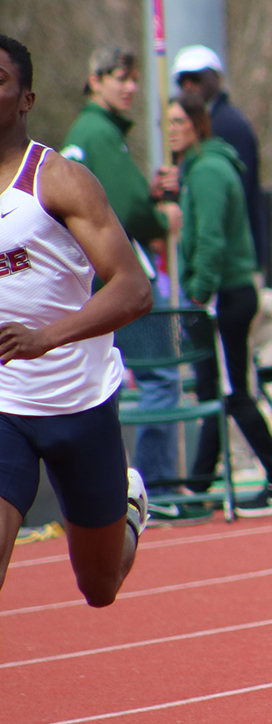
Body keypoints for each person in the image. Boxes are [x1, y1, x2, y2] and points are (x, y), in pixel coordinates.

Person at [0, 35, 154, 605]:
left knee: (100, 585)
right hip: (5, 407)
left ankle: (129, 509)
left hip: (78, 403)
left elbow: (135, 290)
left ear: (26, 99)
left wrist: (47, 338)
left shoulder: (58, 180)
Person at [60, 47, 205, 525]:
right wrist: (158, 213)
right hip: (117, 279)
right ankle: (157, 486)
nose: (130, 88)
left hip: (97, 279)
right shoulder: (96, 133)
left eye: (134, 79)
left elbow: (123, 198)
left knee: (109, 381)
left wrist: (152, 195)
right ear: (95, 80)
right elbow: (121, 209)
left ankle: (137, 486)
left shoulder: (99, 134)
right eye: (120, 78)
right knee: (163, 375)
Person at [162, 94, 272, 517]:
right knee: (212, 392)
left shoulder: (207, 172)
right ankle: (199, 488)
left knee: (233, 391)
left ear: (199, 125)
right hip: (225, 292)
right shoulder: (201, 169)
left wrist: (200, 291)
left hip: (225, 295)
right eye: (167, 122)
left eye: (179, 121)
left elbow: (211, 241)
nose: (171, 129)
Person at [171, 45, 268, 270]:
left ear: (216, 79)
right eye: (182, 80)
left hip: (229, 258)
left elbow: (232, 198)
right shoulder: (195, 127)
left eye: (195, 78)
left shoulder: (229, 126)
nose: (188, 85)